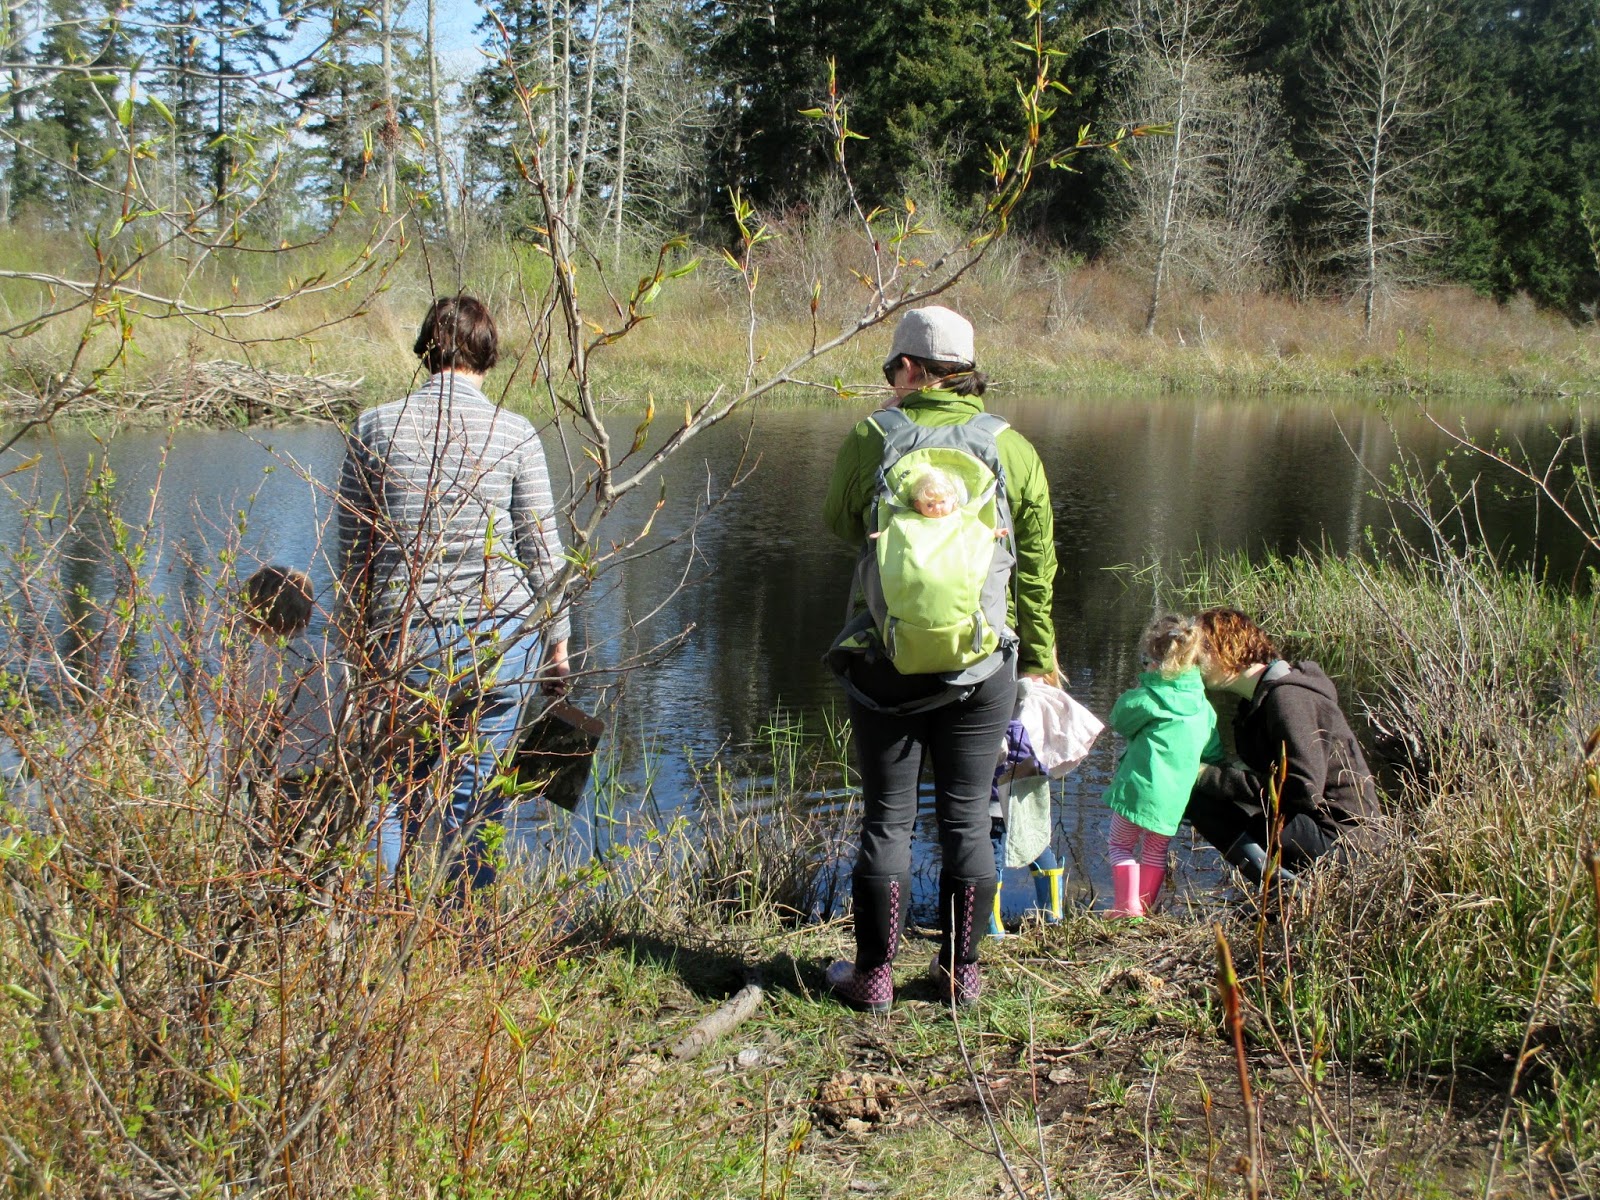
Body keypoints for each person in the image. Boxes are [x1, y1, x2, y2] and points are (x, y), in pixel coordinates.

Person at [822, 304, 1058, 1012]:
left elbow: (838, 521)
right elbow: (1038, 562)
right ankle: (961, 974)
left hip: (882, 661)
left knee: (887, 820)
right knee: (964, 819)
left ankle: (872, 978)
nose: (890, 381)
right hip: (982, 668)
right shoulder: (1010, 446)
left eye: (893, 367)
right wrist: (1040, 654)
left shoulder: (874, 435)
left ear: (914, 369)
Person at [336, 293, 571, 894]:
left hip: (402, 637)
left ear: (426, 350)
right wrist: (557, 647)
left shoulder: (374, 426)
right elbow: (544, 552)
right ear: (487, 356)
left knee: (393, 786)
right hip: (499, 641)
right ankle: (463, 931)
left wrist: (353, 643)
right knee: (478, 797)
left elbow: (352, 551)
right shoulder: (515, 432)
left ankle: (374, 926)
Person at [1187, 607, 1381, 880]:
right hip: (1316, 829)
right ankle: (1281, 891)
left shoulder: (1288, 698)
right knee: (1203, 793)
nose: (1191, 661)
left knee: (1199, 793)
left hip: (1347, 844)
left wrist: (1208, 776)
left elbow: (1303, 790)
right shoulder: (1256, 702)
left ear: (1226, 649)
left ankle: (1285, 892)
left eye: (1200, 651)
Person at [1101, 614, 1216, 919]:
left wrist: (1144, 685)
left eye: (1145, 661)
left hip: (1137, 792)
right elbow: (1213, 749)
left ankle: (1127, 910)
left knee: (1119, 846)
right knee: (1155, 850)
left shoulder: (1150, 697)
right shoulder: (1203, 706)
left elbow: (1120, 719)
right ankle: (1144, 908)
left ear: (1155, 662)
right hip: (1174, 798)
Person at [235, 565, 345, 836]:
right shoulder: (331, 655)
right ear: (309, 613)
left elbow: (241, 732)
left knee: (272, 858)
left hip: (277, 786)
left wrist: (234, 775)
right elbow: (347, 716)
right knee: (324, 859)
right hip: (328, 782)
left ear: (252, 619)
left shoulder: (259, 665)